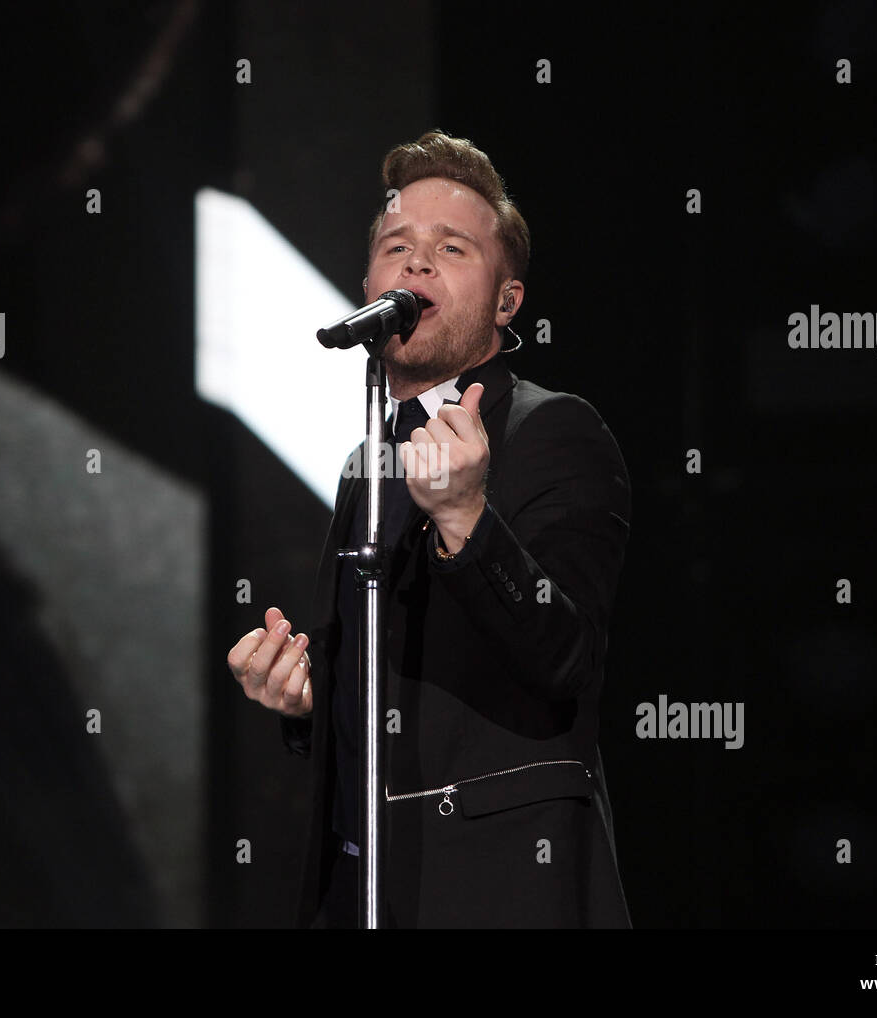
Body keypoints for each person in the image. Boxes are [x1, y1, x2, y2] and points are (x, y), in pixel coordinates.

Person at [226, 130, 632, 928]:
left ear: (506, 301)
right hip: (364, 887)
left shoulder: (555, 431)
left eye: (451, 248)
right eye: (397, 247)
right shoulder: (364, 459)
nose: (416, 265)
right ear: (369, 284)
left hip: (496, 892)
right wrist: (306, 698)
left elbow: (567, 660)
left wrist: (466, 519)